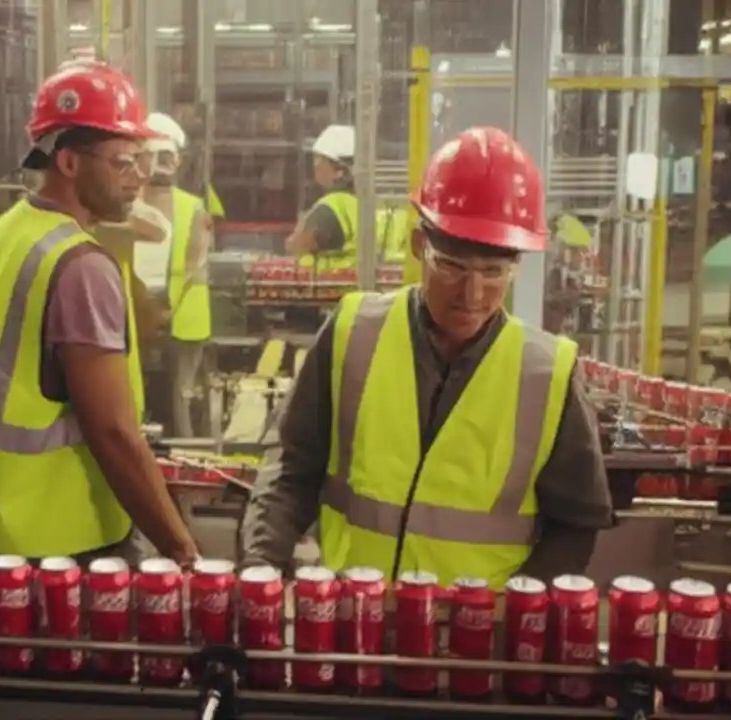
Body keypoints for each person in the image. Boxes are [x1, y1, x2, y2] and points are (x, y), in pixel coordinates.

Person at [241, 126, 614, 588]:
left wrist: (512, 615)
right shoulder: (353, 333)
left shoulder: (547, 373)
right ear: (421, 245)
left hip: (477, 640)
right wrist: (260, 567)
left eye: (494, 272)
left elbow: (576, 525)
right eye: (453, 266)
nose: (473, 294)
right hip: (354, 622)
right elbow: (291, 469)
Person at [0, 62, 200, 567]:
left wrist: (30, 392)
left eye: (142, 160)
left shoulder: (11, 228)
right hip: (70, 538)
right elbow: (114, 435)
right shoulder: (82, 267)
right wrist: (179, 548)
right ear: (68, 162)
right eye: (124, 161)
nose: (140, 178)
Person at [130, 111, 214, 438]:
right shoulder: (127, 204)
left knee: (181, 398)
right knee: (133, 390)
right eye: (153, 156)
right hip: (138, 315)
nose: (161, 164)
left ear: (178, 161)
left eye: (167, 157)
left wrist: (166, 309)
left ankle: (185, 455)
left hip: (183, 320)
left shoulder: (193, 207)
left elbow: (195, 265)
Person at [284, 124, 411, 271]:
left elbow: (297, 246)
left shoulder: (333, 206)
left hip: (334, 287)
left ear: (339, 171)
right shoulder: (391, 206)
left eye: (320, 160)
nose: (315, 166)